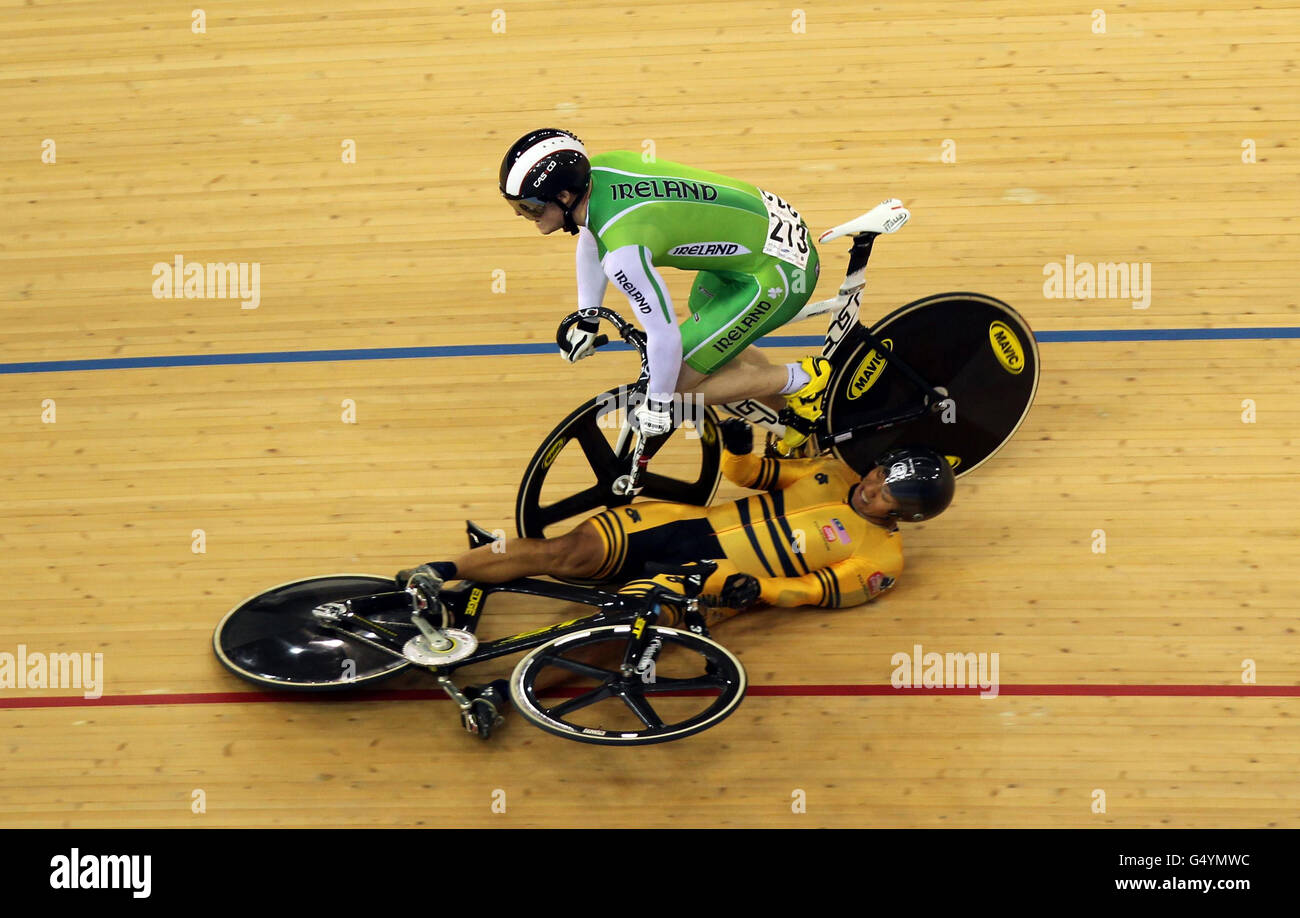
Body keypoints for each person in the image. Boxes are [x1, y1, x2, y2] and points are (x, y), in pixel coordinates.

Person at [398, 419, 955, 627]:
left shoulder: (883, 561)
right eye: (880, 473)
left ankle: (504, 685)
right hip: (683, 523)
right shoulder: (831, 473)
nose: (871, 485)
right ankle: (435, 571)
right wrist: (737, 449)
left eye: (885, 494)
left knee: (608, 633)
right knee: (564, 552)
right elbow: (748, 472)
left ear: (904, 514)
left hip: (713, 578)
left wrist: (758, 590)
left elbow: (813, 591)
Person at [499, 128, 831, 454]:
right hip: (760, 235)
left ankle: (803, 379)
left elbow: (663, 333)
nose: (523, 215)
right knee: (707, 335)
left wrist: (658, 404)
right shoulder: (600, 170)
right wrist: (588, 320)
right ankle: (787, 402)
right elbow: (590, 237)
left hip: (779, 273)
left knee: (676, 385)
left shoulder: (623, 252)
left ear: (566, 196)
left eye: (530, 208)